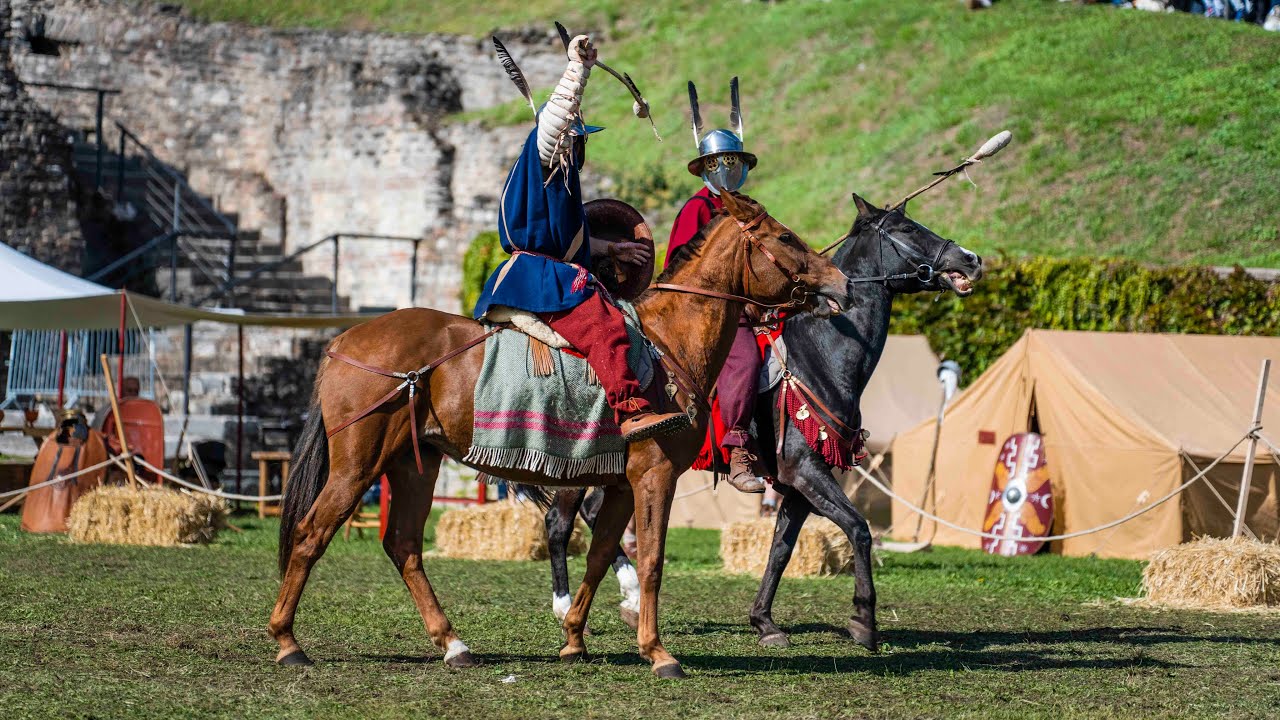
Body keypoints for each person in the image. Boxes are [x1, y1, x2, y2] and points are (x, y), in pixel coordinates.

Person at [472, 34, 690, 443]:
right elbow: (553, 123)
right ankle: (630, 411)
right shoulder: (539, 160)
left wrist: (613, 248)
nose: (576, 145)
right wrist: (578, 69)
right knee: (604, 325)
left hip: (547, 269)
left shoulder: (560, 185)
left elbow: (570, 241)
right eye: (573, 138)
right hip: (537, 277)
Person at [665, 78, 769, 494]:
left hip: (753, 307)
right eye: (718, 162)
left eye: (732, 160)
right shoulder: (696, 209)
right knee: (744, 360)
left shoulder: (751, 210)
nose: (726, 169)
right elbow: (678, 271)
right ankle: (739, 449)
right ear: (705, 167)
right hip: (712, 313)